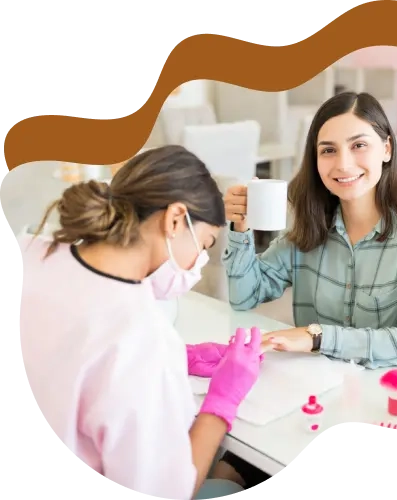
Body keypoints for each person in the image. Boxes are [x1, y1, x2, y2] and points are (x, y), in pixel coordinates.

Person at [16, 145, 264, 500]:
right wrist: (222, 401)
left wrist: (180, 359)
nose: (198, 260)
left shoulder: (27, 251)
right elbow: (167, 492)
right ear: (175, 219)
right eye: (205, 244)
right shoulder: (141, 336)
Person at [222, 91, 397, 381]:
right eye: (328, 150)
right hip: (333, 388)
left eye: (358, 145)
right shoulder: (311, 225)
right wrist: (240, 228)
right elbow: (244, 296)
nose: (343, 164)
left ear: (386, 149)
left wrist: (316, 337)